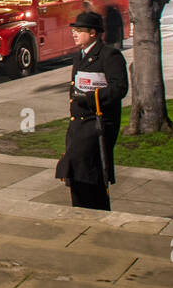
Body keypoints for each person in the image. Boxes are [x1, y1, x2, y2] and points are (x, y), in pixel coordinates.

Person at [55, 11, 129, 211]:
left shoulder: (109, 56)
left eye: (80, 31)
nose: (75, 34)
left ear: (93, 33)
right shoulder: (78, 56)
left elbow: (119, 88)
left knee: (87, 168)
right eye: (74, 30)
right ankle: (80, 210)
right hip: (78, 123)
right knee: (77, 173)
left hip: (97, 124)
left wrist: (90, 98)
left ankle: (96, 211)